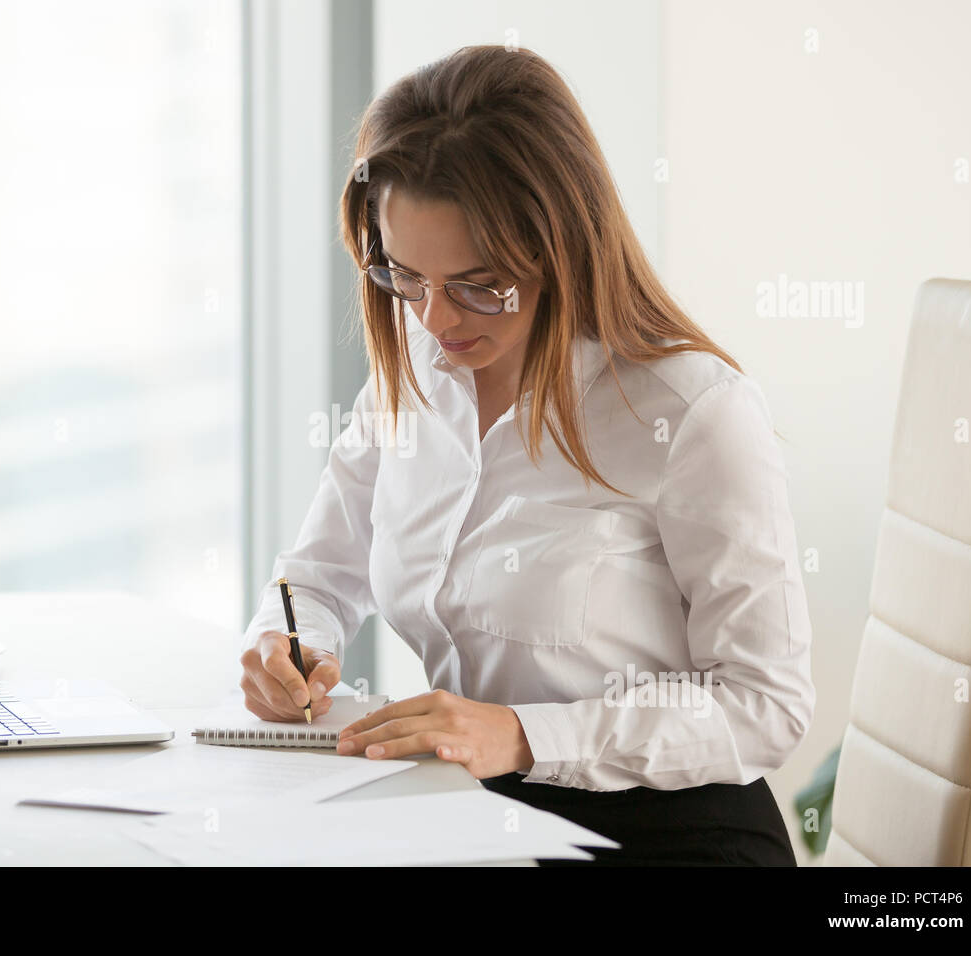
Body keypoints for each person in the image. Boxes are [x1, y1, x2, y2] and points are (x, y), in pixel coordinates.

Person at [237, 44, 814, 866]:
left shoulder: (689, 413)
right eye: (405, 275)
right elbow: (318, 577)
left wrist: (522, 734)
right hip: (470, 819)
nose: (436, 320)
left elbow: (766, 705)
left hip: (666, 833)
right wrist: (286, 646)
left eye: (479, 284)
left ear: (561, 246)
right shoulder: (414, 373)